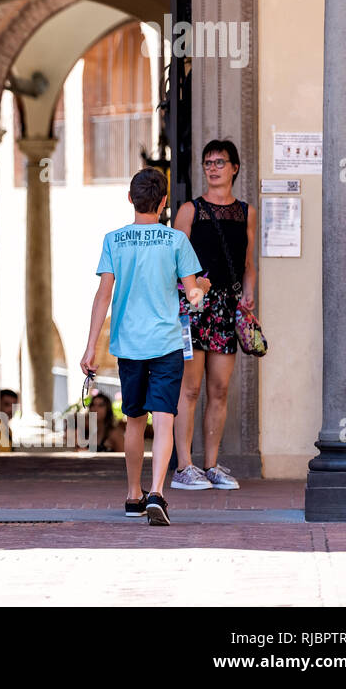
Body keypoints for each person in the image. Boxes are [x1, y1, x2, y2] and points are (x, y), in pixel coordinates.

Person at [80, 167, 209, 526]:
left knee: (134, 420)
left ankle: (133, 495)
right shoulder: (176, 242)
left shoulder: (113, 240)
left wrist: (91, 348)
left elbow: (103, 294)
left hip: (129, 345)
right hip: (166, 343)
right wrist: (204, 286)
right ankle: (158, 493)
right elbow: (193, 296)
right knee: (165, 419)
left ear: (130, 199)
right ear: (164, 202)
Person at [170, 139, 256, 491]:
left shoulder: (247, 212)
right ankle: (184, 466)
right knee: (189, 389)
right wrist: (192, 290)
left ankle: (211, 465)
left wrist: (249, 292)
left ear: (235, 167)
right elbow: (173, 261)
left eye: (220, 162)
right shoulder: (191, 210)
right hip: (194, 306)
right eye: (208, 162)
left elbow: (249, 261)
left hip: (226, 307)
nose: (213, 168)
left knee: (219, 388)